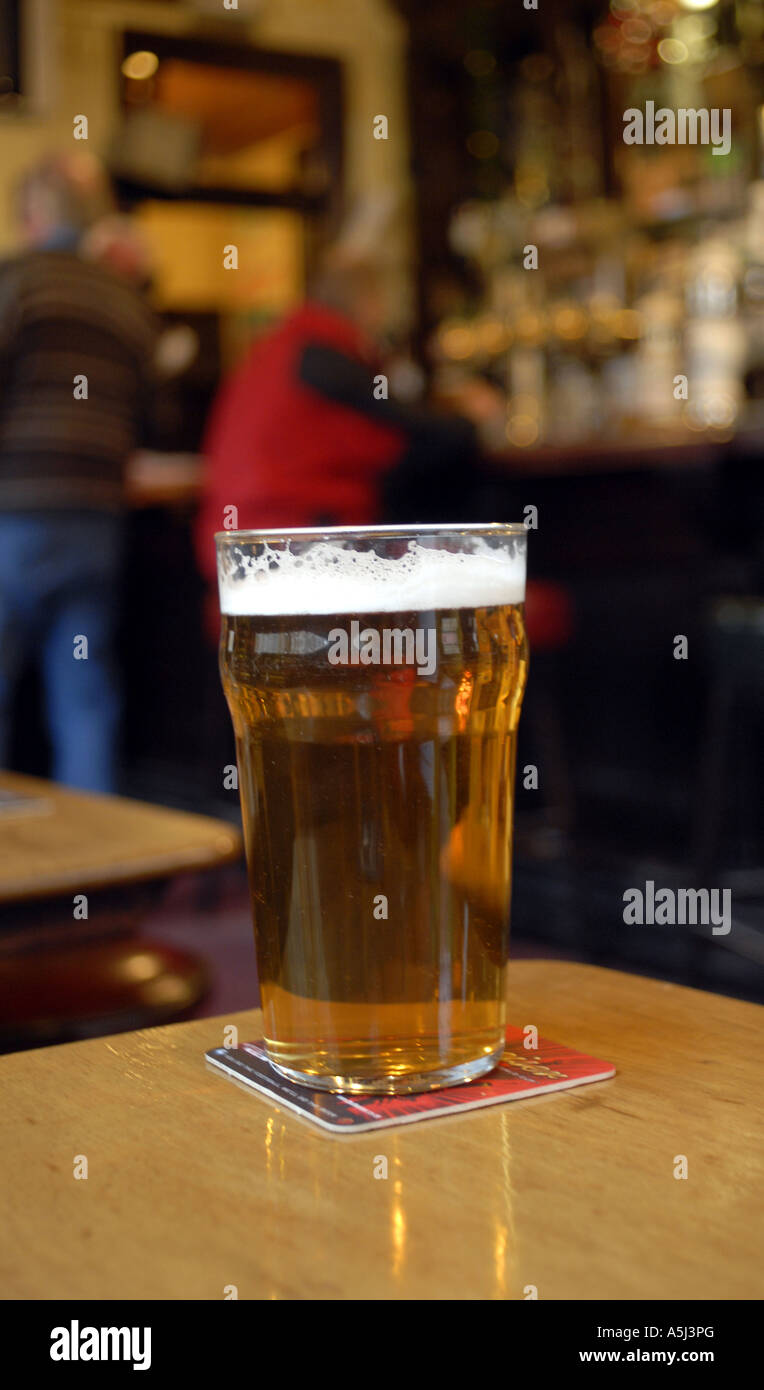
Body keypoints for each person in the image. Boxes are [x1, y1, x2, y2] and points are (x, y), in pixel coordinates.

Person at [0, 152, 157, 792]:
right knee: (84, 692)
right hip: (96, 517)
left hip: (16, 511)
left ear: (33, 213)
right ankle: (94, 873)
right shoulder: (125, 299)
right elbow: (148, 411)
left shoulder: (18, 279)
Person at [195, 243, 482, 592]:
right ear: (366, 302)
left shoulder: (278, 349)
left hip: (237, 548)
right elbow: (421, 432)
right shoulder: (324, 356)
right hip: (293, 545)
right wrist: (472, 415)